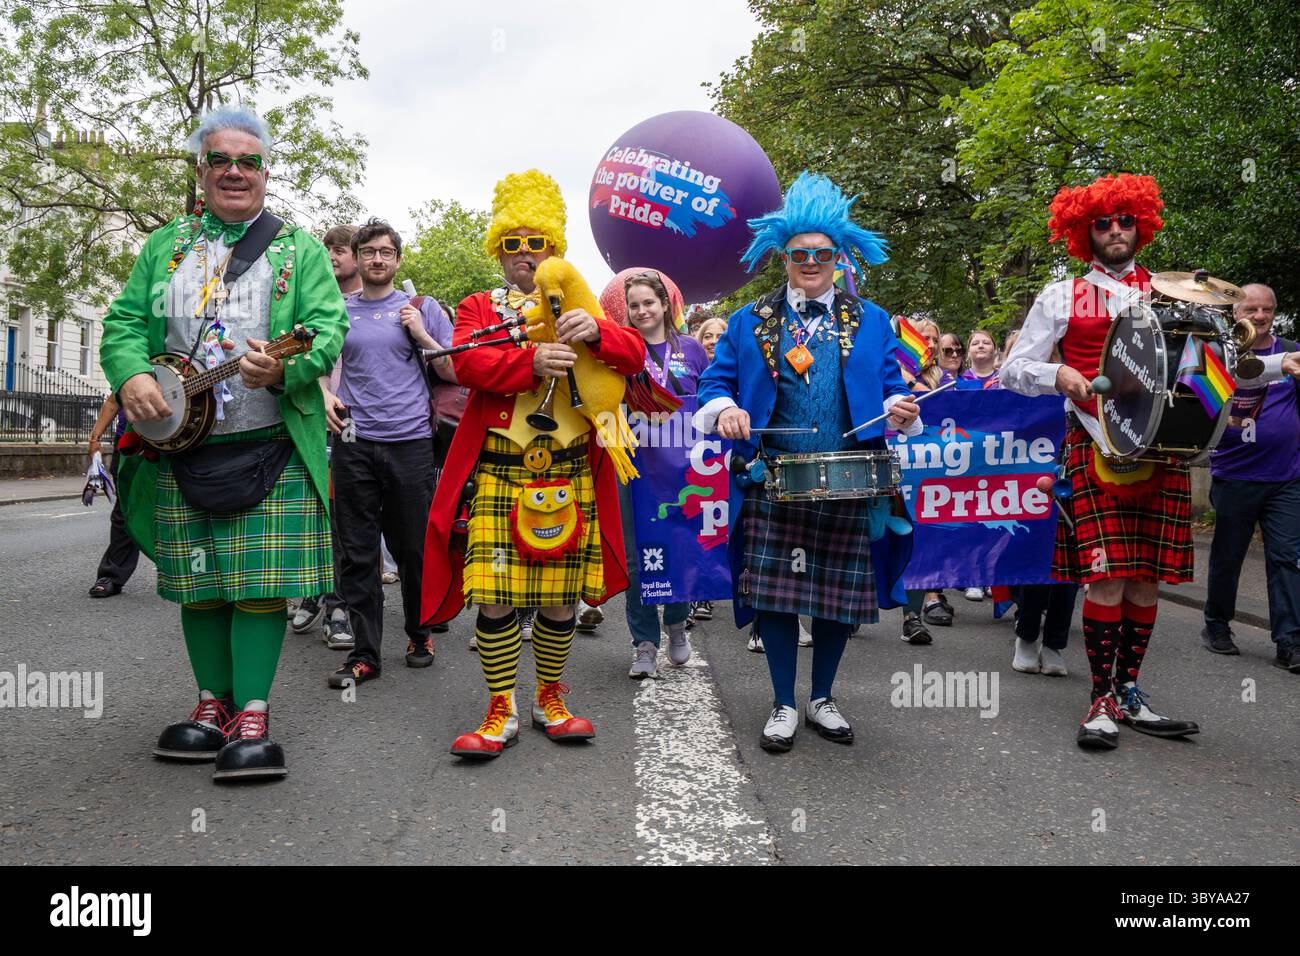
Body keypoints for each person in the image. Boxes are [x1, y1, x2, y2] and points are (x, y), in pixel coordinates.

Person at [100, 105, 346, 781]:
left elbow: (327, 332)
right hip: (180, 444)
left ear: (266, 173)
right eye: (221, 160)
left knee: (260, 586)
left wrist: (289, 366)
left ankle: (254, 715)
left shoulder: (302, 250)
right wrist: (129, 378)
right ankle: (211, 707)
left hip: (271, 443)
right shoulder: (166, 246)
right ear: (201, 171)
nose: (235, 172)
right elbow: (123, 323)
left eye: (250, 161)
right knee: (200, 587)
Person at [1002, 173, 1240, 749]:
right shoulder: (1061, 295)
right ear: (1085, 232)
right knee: (1105, 576)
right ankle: (1100, 701)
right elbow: (1014, 369)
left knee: (1145, 577)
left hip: (1163, 449)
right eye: (1102, 222)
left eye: (1124, 220)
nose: (1114, 230)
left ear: (1141, 226)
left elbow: (1209, 371)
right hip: (1096, 439)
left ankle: (1130, 691)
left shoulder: (1172, 292)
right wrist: (1056, 373)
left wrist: (1270, 365)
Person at [421, 170, 645, 760]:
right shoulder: (477, 307)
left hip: (570, 467)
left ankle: (550, 696)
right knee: (494, 593)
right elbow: (466, 364)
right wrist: (528, 363)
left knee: (561, 594)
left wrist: (597, 332)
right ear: (500, 251)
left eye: (536, 242)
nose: (525, 254)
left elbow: (634, 354)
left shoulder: (581, 301)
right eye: (513, 244)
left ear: (554, 248)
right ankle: (501, 708)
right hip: (501, 467)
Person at [696, 171, 921, 753]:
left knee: (835, 600)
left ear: (839, 257)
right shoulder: (750, 321)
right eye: (800, 254)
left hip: (851, 477)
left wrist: (900, 409)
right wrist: (723, 410)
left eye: (823, 253)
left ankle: (822, 696)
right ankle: (782, 702)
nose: (812, 262)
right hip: (773, 475)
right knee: (777, 597)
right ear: (784, 257)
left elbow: (893, 386)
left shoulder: (872, 319)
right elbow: (712, 383)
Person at [323, 218, 453, 688]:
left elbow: (458, 371)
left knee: (412, 548)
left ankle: (419, 633)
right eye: (369, 252)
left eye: (386, 252)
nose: (377, 259)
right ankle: (365, 653)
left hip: (411, 442)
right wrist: (323, 396)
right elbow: (319, 365)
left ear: (397, 260)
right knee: (357, 554)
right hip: (354, 442)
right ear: (356, 258)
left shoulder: (421, 307)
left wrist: (422, 335)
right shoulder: (336, 310)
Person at [1201, 283, 1300, 672]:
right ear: (1235, 314)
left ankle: (1290, 641)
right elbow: (1205, 403)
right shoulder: (1220, 352)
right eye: (1251, 310)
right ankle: (1217, 625)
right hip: (1234, 474)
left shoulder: (1290, 349)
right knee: (1228, 558)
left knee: (1286, 559)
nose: (1260, 317)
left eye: (1267, 310)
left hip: (1286, 477)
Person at [621, 270, 710, 678]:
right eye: (634, 305)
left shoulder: (691, 349)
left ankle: (676, 624)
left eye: (648, 303)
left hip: (685, 468)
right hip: (634, 466)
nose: (641, 311)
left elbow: (710, 399)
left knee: (680, 548)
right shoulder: (621, 348)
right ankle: (643, 642)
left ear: (665, 305)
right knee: (637, 556)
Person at [291, 223, 360, 643]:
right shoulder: (307, 304)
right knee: (311, 515)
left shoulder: (372, 302)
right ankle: (312, 593)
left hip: (354, 426)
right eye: (328, 249)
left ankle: (340, 606)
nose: (333, 256)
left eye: (341, 249)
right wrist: (319, 392)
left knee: (345, 521)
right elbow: (303, 359)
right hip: (310, 417)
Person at [86, 394, 140, 598]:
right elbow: (113, 400)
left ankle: (197, 570)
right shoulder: (132, 361)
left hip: (175, 438)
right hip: (130, 439)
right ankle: (111, 575)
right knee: (125, 510)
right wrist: (95, 438)